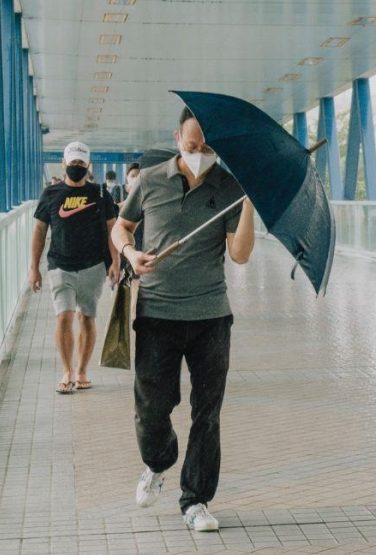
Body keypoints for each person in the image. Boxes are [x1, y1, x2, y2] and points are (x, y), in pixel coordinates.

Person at [111, 107, 256, 532]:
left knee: (206, 413)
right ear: (178, 138)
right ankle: (157, 463)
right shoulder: (151, 180)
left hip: (211, 315)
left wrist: (248, 202)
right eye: (193, 146)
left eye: (208, 148)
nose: (199, 154)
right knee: (152, 409)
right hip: (156, 313)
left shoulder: (230, 188)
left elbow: (240, 255)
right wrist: (129, 253)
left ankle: (196, 500)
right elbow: (121, 226)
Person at [29, 141, 121, 394]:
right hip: (60, 265)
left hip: (93, 265)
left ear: (88, 165)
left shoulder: (100, 194)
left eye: (81, 163)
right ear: (64, 163)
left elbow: (112, 228)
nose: (76, 167)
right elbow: (39, 230)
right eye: (73, 163)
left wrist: (116, 261)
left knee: (87, 318)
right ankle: (67, 370)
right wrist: (33, 268)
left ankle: (82, 370)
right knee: (64, 316)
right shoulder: (50, 194)